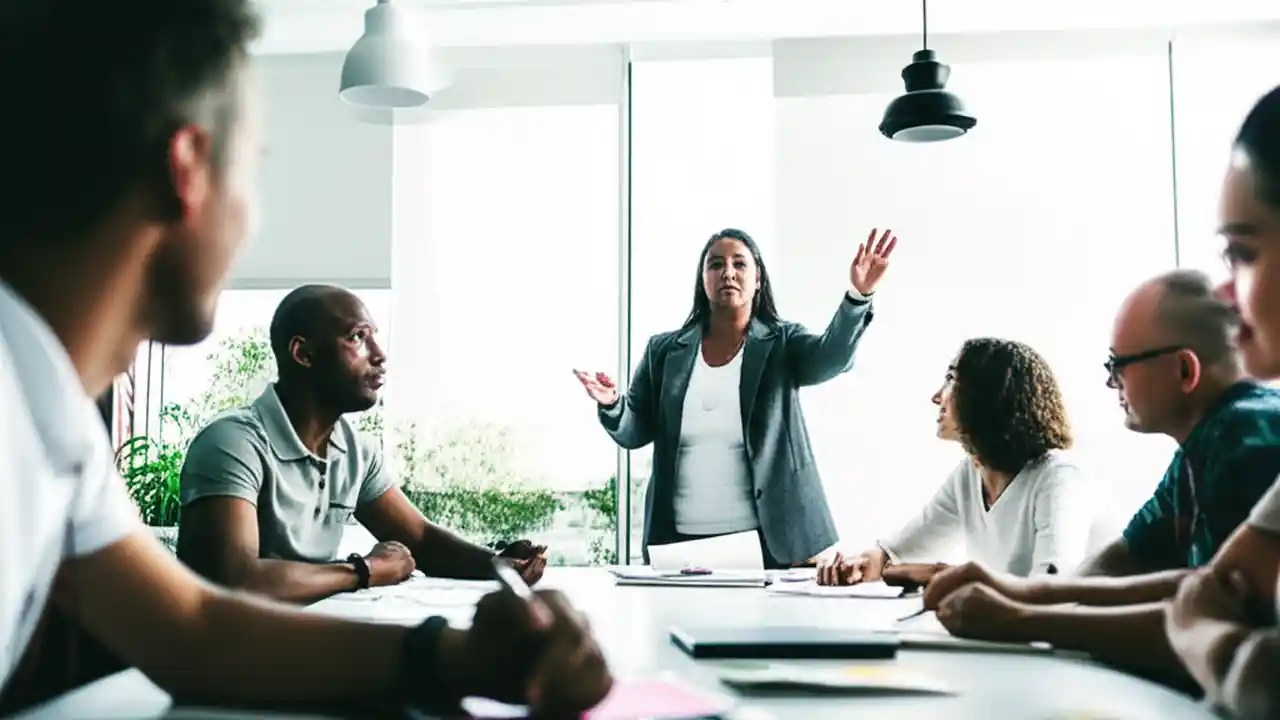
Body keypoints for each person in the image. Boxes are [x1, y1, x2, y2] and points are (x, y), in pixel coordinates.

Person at [0, 1, 610, 716]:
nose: (255, 219)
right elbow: (222, 592)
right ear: (189, 170)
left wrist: (462, 657)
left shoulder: (52, 418)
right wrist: (372, 581)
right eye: (252, 171)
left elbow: (195, 632)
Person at [920, 269, 1280, 688]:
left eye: (1118, 365)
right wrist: (1016, 591)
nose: (1111, 381)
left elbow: (1211, 622)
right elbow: (1129, 562)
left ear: (1184, 370)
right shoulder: (1201, 447)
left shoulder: (1245, 439)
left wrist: (1022, 618)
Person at [177, 285, 548, 605]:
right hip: (217, 658)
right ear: (303, 354)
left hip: (298, 642)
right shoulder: (232, 443)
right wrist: (365, 570)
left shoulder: (356, 452)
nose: (380, 354)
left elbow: (419, 539)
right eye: (357, 337)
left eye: (374, 336)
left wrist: (497, 564)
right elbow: (237, 579)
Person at [574, 227, 896, 568]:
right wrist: (611, 403)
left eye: (739, 264)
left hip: (773, 542)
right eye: (716, 264)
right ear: (703, 279)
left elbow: (833, 357)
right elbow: (634, 430)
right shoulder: (663, 351)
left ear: (758, 280)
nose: (728, 272)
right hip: (680, 544)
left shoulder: (782, 342)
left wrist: (858, 297)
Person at [1164, 84, 1280, 719]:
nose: (1226, 294)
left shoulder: (1244, 429)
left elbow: (1265, 677)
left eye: (1243, 253)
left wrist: (1203, 636)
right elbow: (1206, 589)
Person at [817, 338, 1104, 586]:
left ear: (988, 395)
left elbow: (1052, 585)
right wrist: (857, 565)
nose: (936, 397)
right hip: (1023, 641)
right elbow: (898, 553)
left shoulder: (1060, 476)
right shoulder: (970, 474)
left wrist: (944, 574)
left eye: (951, 379)